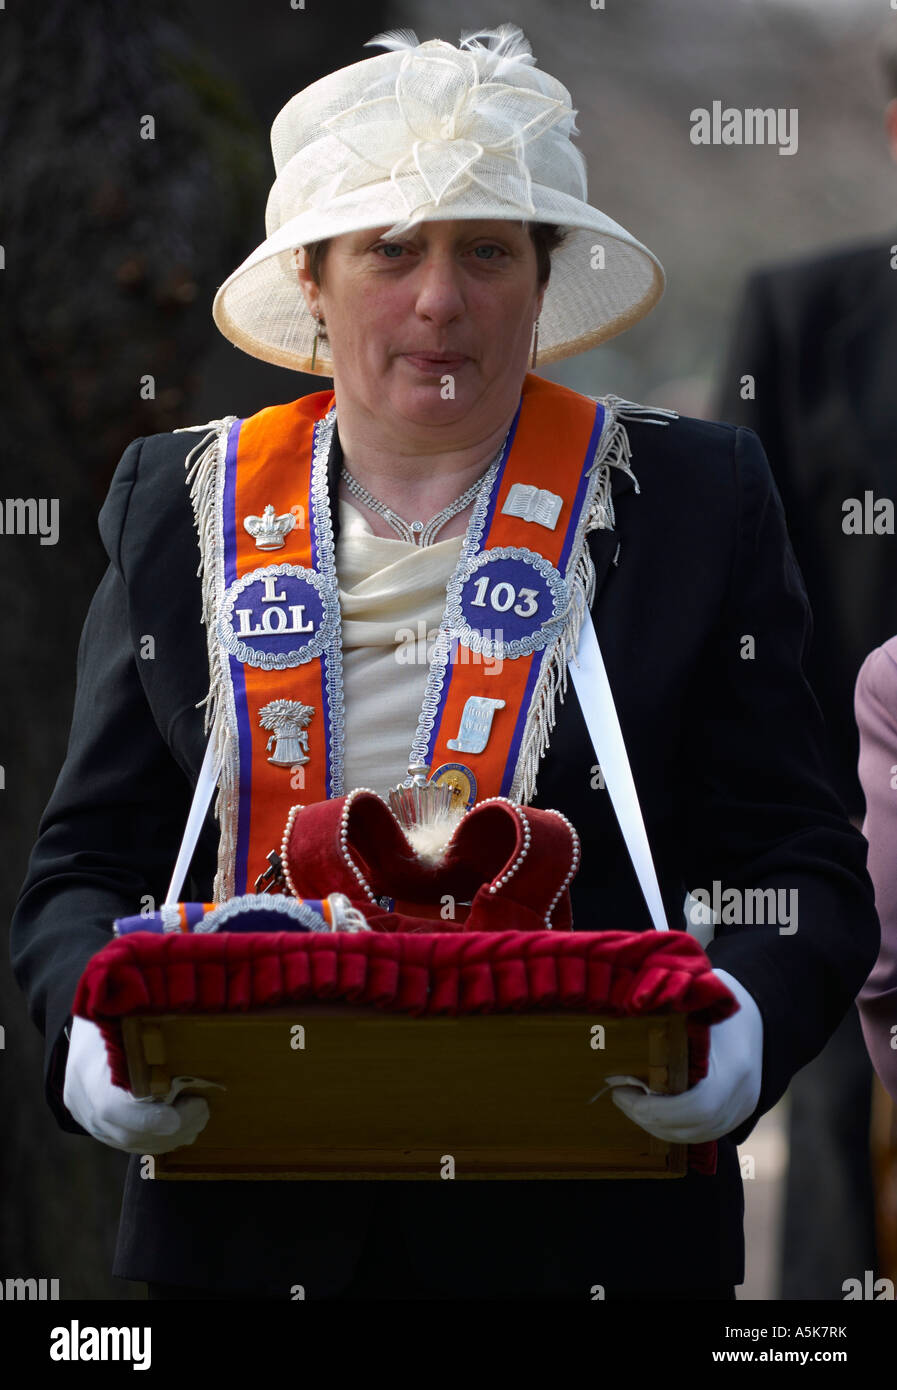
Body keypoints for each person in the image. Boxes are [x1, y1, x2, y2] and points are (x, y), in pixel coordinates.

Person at [10, 24, 880, 1301]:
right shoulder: (180, 507)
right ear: (311, 279)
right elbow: (82, 865)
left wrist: (737, 1036)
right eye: (390, 252)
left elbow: (800, 866)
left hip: (592, 1223)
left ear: (541, 279)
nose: (439, 300)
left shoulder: (692, 497)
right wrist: (93, 1036)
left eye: (486, 250)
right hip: (244, 1231)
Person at [712, 19, 897, 1299]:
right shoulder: (806, 316)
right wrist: (808, 813)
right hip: (857, 831)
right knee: (838, 1147)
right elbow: (748, 598)